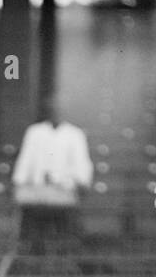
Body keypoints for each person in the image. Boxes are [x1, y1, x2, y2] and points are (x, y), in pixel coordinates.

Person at [11, 95, 94, 257]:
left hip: (63, 191)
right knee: (31, 226)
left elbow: (82, 164)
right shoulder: (34, 132)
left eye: (58, 109)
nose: (55, 112)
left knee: (64, 228)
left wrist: (75, 182)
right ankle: (31, 258)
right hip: (37, 192)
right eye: (51, 109)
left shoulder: (75, 134)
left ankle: (63, 258)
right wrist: (18, 183)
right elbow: (25, 160)